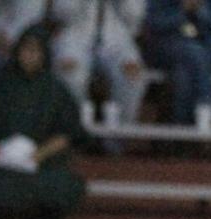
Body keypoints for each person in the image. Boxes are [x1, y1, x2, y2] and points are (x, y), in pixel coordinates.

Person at [0, 27, 85, 219]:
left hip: (40, 161)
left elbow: (68, 131)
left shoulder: (55, 89)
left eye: (36, 50)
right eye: (26, 49)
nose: (29, 55)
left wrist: (38, 155)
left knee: (59, 186)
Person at [51, 0, 147, 137]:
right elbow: (62, 13)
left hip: (118, 39)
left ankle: (117, 139)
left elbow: (135, 15)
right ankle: (75, 135)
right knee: (71, 74)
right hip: (74, 36)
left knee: (133, 76)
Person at [143, 0, 211, 131]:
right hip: (169, 44)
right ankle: (206, 104)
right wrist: (182, 10)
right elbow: (154, 22)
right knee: (194, 53)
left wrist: (200, 10)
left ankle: (180, 129)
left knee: (183, 76)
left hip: (205, 46)